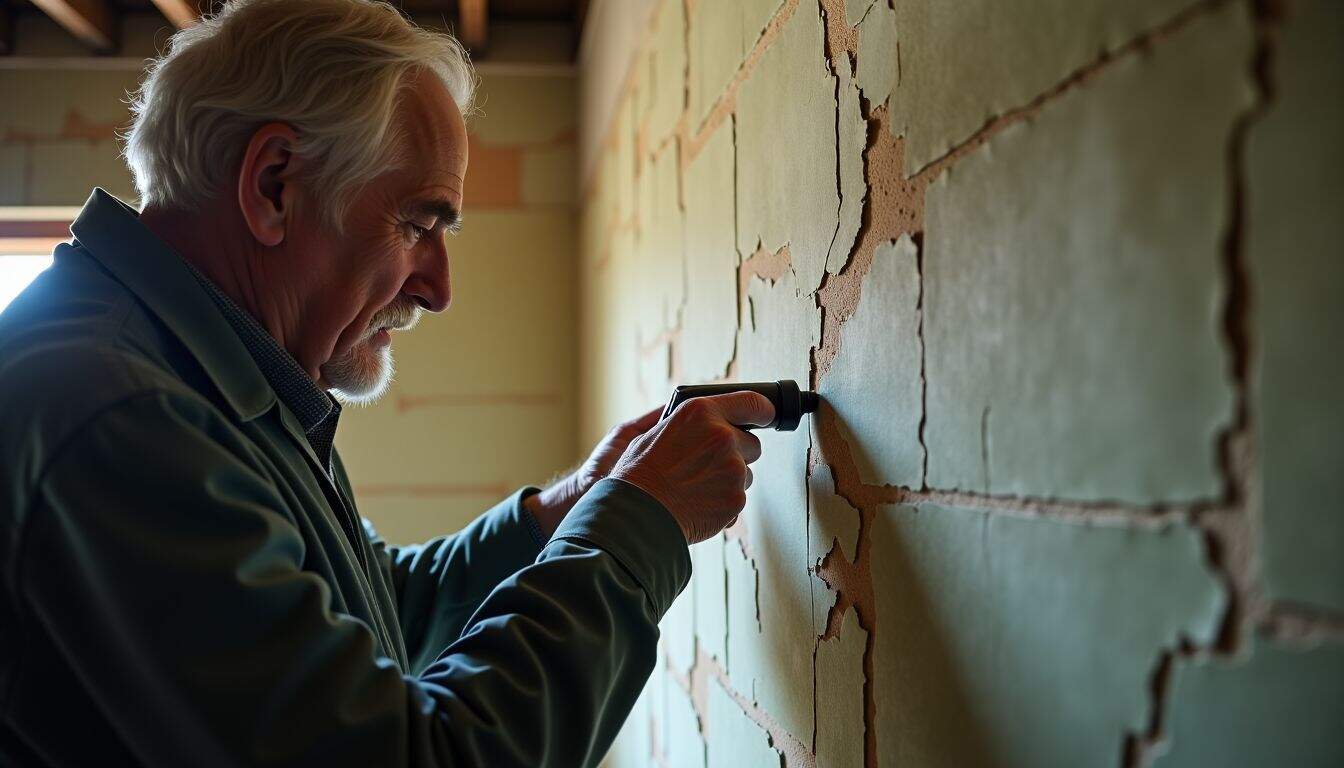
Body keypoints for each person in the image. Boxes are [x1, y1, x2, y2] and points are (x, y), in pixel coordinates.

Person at [0, 1, 772, 765]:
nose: (439, 288)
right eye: (418, 223)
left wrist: (566, 512)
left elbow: (366, 613)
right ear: (274, 184)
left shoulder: (206, 378)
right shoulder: (124, 416)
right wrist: (637, 527)